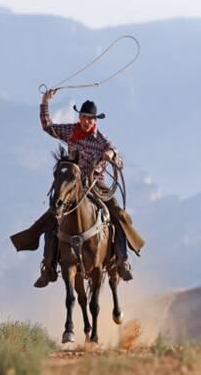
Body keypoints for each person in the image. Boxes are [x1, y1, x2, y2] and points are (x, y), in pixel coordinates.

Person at [10, 90, 145, 287]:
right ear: (79, 117)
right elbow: (48, 127)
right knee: (52, 219)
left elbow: (120, 161)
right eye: (83, 117)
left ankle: (122, 261)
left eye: (89, 119)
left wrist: (111, 155)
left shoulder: (102, 141)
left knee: (119, 215)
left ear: (95, 121)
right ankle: (48, 267)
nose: (85, 121)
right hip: (72, 188)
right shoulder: (71, 132)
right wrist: (44, 102)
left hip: (96, 187)